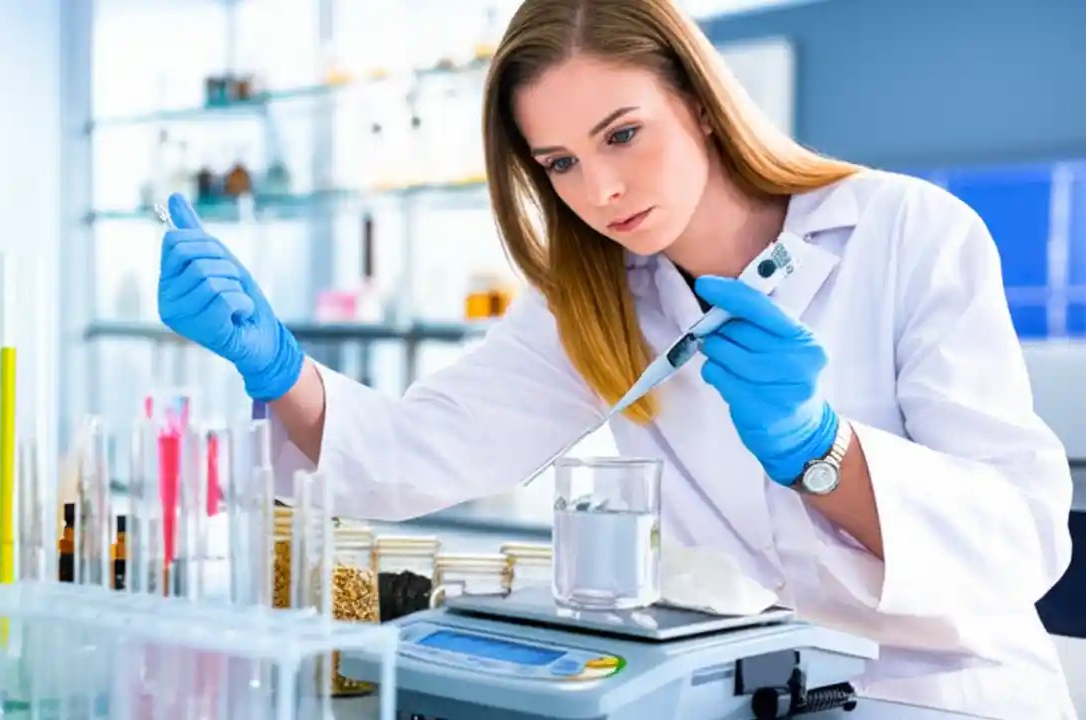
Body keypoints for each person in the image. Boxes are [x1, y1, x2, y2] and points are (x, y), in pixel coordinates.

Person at [155, 0, 1075, 716]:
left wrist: (821, 452)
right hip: (751, 690)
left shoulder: (909, 231)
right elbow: (413, 452)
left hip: (952, 697)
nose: (599, 190)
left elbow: (1022, 542)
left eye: (622, 134)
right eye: (556, 163)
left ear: (701, 104)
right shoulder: (598, 299)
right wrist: (279, 370)